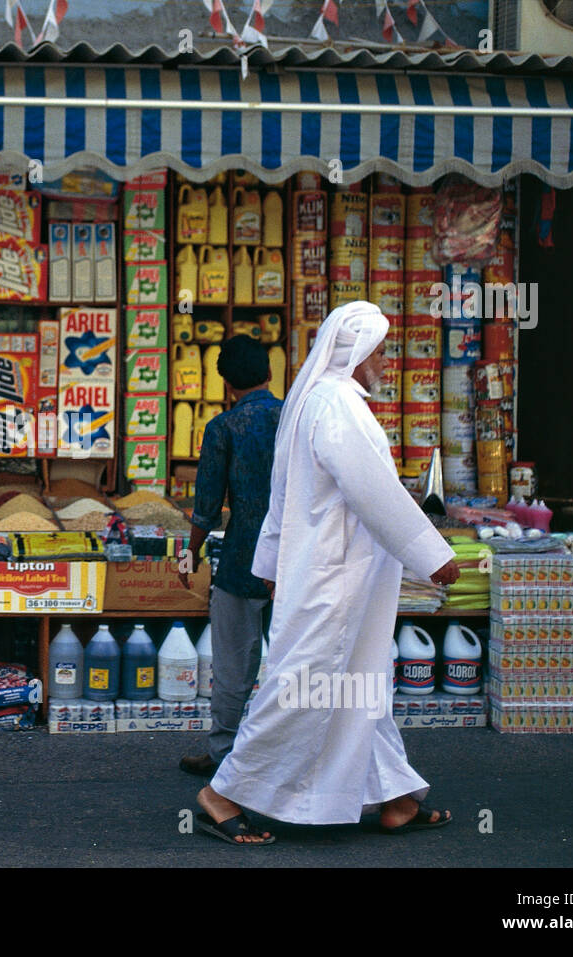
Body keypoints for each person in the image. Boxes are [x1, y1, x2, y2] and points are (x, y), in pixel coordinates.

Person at [194, 302, 460, 846]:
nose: (386, 362)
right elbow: (374, 492)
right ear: (357, 355)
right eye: (381, 352)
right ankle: (223, 794)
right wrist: (432, 553)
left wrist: (269, 562)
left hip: (335, 573)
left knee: (361, 687)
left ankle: (394, 798)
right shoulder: (338, 405)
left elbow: (280, 495)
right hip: (336, 578)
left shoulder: (313, 401)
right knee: (304, 687)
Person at [178, 335, 282, 778]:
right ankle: (281, 753)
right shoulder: (294, 417)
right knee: (292, 662)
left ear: (226, 384)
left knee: (233, 664)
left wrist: (191, 550)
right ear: (270, 373)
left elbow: (207, 503)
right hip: (293, 561)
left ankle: (223, 751)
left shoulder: (223, 427)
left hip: (242, 559)